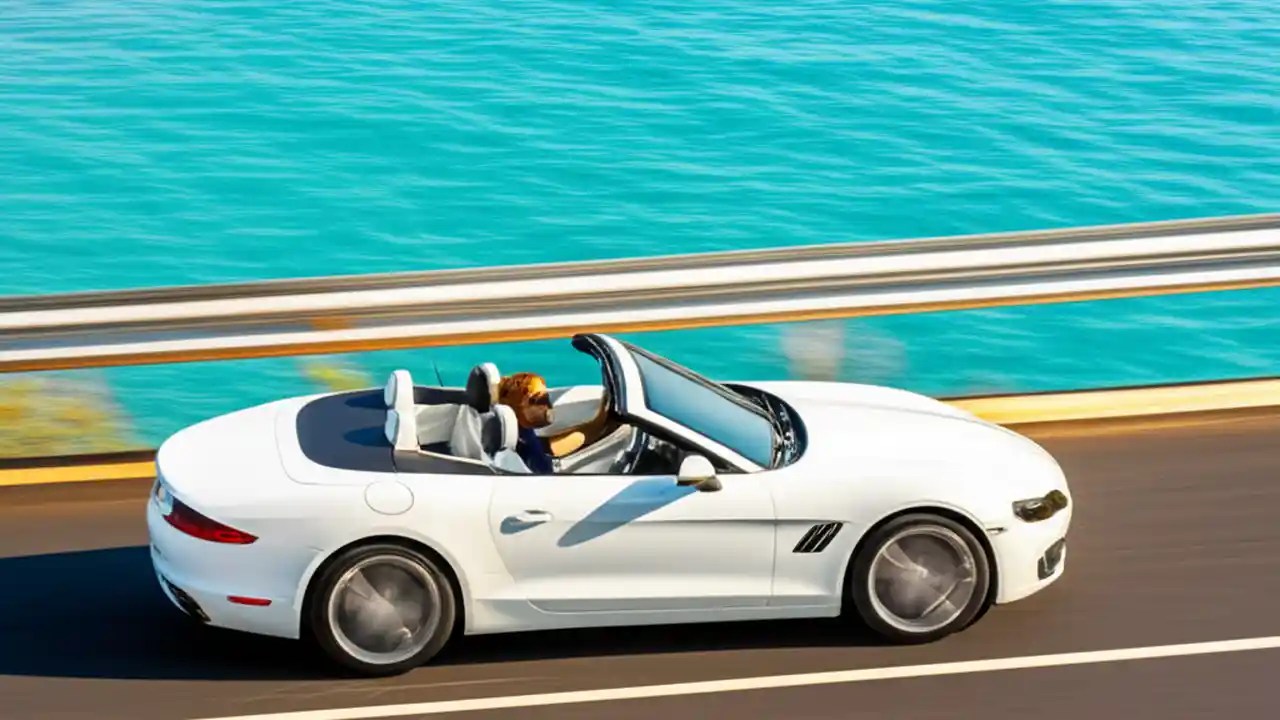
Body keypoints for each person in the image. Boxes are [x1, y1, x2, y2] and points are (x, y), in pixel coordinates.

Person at [495, 372, 557, 474]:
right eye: (537, 400)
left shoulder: (516, 429)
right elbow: (544, 472)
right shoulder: (526, 442)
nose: (546, 407)